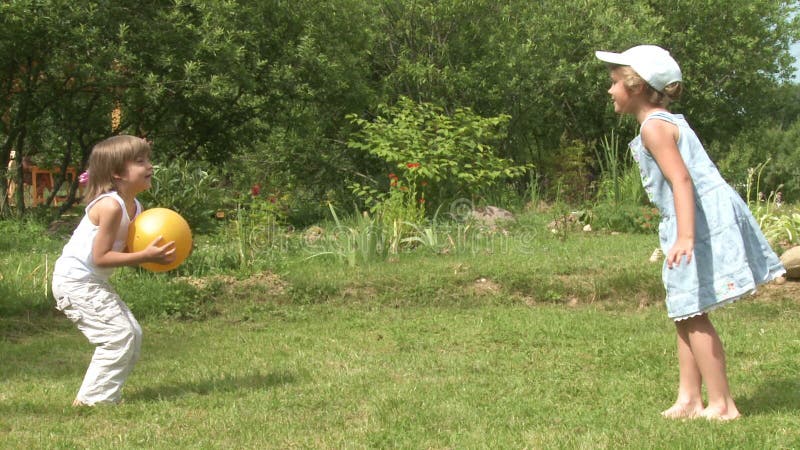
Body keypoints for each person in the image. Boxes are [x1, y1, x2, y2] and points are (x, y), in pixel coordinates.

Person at [595, 45, 786, 420]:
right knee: (685, 309)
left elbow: (681, 181)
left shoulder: (654, 127)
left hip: (696, 223)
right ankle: (688, 398)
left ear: (635, 85)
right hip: (693, 219)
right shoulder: (667, 120)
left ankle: (722, 404)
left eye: (615, 82)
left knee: (695, 312)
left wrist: (684, 236)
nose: (610, 89)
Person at [51, 135, 176, 406]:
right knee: (118, 335)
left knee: (132, 333)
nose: (149, 166)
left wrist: (152, 256)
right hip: (76, 281)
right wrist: (144, 256)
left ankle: (104, 396)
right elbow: (100, 257)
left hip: (90, 281)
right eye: (140, 161)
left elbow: (124, 251)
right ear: (118, 172)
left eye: (148, 159)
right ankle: (92, 402)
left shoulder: (135, 207)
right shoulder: (109, 205)